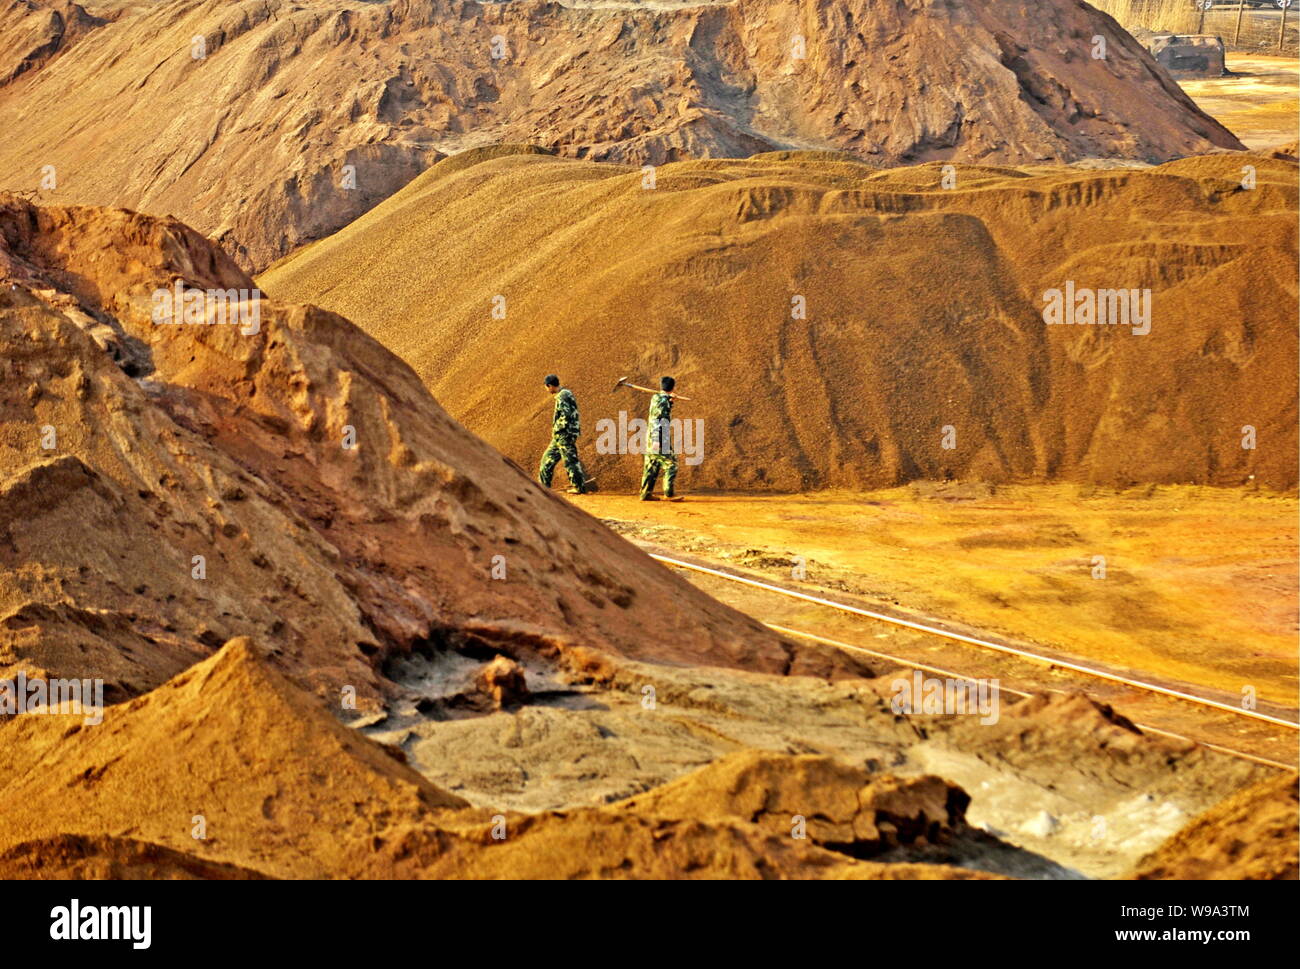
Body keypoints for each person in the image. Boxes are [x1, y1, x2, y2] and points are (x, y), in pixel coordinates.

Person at [538, 374, 589, 494]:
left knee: (570, 461)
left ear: (549, 386)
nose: (546, 390)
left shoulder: (562, 396)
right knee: (547, 460)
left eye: (546, 387)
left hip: (564, 434)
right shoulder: (565, 393)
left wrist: (557, 428)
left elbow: (566, 415)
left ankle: (578, 487)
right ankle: (542, 488)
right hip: (561, 436)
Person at [640, 376, 681, 501]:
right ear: (673, 387)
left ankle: (645, 494)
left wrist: (670, 401)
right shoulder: (663, 400)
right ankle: (669, 494)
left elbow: (661, 404)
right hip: (658, 438)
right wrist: (657, 440)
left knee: (652, 465)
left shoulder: (656, 397)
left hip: (651, 437)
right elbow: (659, 419)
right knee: (671, 465)